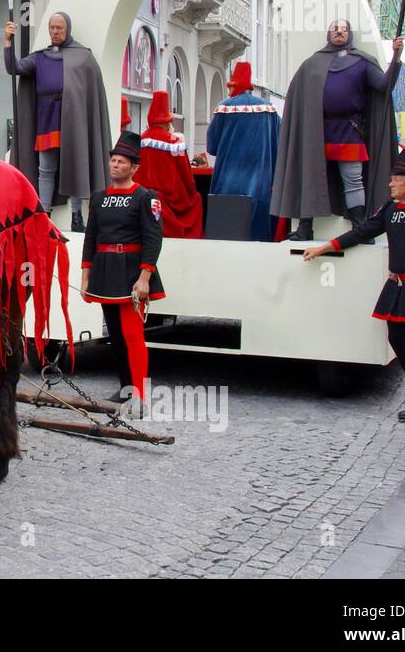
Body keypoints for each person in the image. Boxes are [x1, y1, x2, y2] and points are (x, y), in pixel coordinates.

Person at [302, 148, 405, 423]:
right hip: (399, 285)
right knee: (396, 337)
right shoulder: (390, 209)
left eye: (395, 179)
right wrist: (326, 247)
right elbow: (363, 232)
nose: (390, 183)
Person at [273, 20, 403, 241]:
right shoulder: (312, 63)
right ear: (328, 34)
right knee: (310, 177)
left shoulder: (362, 62)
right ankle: (305, 228)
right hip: (316, 131)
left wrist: (396, 57)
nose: (339, 32)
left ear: (349, 34)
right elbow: (298, 98)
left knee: (353, 180)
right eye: (335, 28)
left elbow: (384, 86)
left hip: (349, 131)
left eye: (343, 29)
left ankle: (360, 228)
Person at [79, 129, 166, 408]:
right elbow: (91, 237)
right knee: (115, 336)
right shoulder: (99, 198)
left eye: (121, 161)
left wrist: (144, 278)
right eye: (113, 160)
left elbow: (153, 239)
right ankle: (125, 389)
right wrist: (85, 276)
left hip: (131, 273)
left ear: (134, 167)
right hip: (105, 272)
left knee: (132, 335)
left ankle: (139, 394)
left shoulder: (145, 197)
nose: (115, 165)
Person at [3, 14, 112, 233]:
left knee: (75, 164)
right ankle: (44, 214)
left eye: (59, 28)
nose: (55, 31)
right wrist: (7, 41)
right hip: (47, 118)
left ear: (67, 29)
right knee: (46, 168)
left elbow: (90, 93)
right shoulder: (39, 57)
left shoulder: (83, 57)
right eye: (52, 27)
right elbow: (14, 68)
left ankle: (76, 215)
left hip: (75, 120)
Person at [205, 62, 280, 241]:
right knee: (258, 235)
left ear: (233, 85)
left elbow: (212, 147)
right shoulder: (269, 109)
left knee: (227, 235)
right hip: (261, 182)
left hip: (227, 183)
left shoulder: (224, 108)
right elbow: (278, 145)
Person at [135, 91, 203, 238]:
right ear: (167, 122)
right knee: (197, 199)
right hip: (170, 198)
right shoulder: (174, 141)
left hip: (141, 194)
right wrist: (192, 190)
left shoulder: (139, 140)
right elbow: (186, 174)